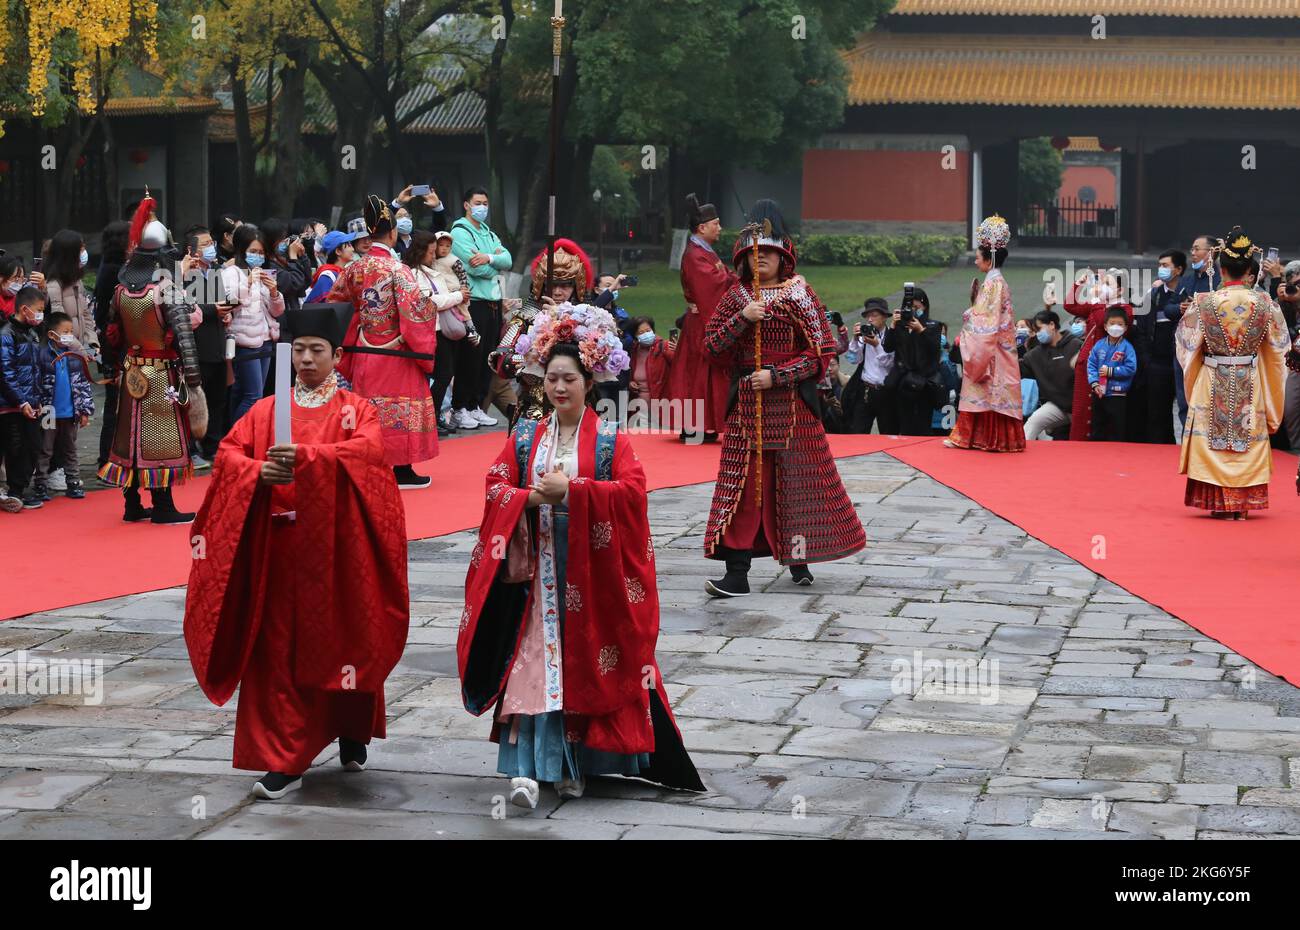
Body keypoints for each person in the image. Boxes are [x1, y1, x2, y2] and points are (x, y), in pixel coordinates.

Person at [458, 336, 703, 810]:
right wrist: (532, 497)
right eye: (551, 378)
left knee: (583, 660)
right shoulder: (526, 435)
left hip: (591, 573)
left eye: (569, 378)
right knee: (534, 657)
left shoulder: (612, 439)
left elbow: (633, 494)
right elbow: (496, 486)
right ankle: (528, 770)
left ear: (590, 383)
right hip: (536, 576)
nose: (559, 386)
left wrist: (574, 491)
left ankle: (577, 763)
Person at [183, 304, 409, 800]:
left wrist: (308, 459)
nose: (307, 360)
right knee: (279, 651)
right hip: (277, 553)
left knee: (345, 639)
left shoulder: (356, 410)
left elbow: (369, 458)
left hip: (337, 553)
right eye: (299, 351)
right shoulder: (267, 411)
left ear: (335, 355)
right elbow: (229, 454)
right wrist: (255, 474)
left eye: (318, 351)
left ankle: (350, 727)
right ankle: (285, 757)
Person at [702, 199, 866, 596]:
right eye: (753, 254)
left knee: (797, 484)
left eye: (768, 253)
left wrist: (775, 375)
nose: (760, 260)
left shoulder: (799, 293)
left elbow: (821, 352)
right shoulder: (738, 296)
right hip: (747, 408)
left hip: (792, 408)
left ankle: (799, 558)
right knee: (742, 488)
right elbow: (710, 347)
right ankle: (737, 573)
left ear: (782, 257)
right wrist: (744, 319)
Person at [98, 198, 208, 524]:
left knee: (129, 436)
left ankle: (132, 504)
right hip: (162, 375)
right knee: (161, 438)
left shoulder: (120, 291)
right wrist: (195, 382)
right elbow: (185, 340)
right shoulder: (167, 290)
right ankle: (162, 506)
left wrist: (112, 367)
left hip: (131, 372)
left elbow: (112, 334)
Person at [326, 194, 439, 488]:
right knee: (402, 407)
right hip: (397, 353)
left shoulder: (353, 269)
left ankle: (370, 465)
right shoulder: (397, 270)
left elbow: (336, 303)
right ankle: (401, 469)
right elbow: (415, 311)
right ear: (391, 233)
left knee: (369, 409)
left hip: (365, 351)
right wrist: (430, 307)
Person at [1176, 228, 1288, 519]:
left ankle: (1216, 500)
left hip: (1212, 376)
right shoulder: (1266, 305)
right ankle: (1243, 503)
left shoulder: (1203, 303)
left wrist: (1195, 372)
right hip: (1249, 378)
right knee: (1247, 439)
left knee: (1212, 439)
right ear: (1250, 270)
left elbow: (1186, 347)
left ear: (1221, 269)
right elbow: (1279, 353)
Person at [491, 239, 595, 430]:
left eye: (564, 285)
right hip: (534, 404)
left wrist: (564, 320)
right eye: (551, 285)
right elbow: (502, 360)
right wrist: (532, 359)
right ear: (540, 284)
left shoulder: (590, 319)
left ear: (577, 285)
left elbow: (599, 360)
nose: (557, 291)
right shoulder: (525, 317)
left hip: (578, 404)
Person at [946, 214, 1024, 452]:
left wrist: (969, 319)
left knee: (986, 390)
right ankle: (990, 439)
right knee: (991, 395)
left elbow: (986, 322)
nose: (975, 262)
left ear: (988, 259)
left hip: (992, 351)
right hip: (1000, 347)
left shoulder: (992, 284)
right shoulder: (996, 282)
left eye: (977, 257)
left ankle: (983, 438)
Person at [670, 193, 737, 442]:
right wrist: (735, 280)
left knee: (702, 375)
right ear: (702, 227)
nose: (719, 228)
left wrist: (735, 278)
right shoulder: (694, 255)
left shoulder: (704, 251)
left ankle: (705, 425)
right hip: (701, 322)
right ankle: (695, 426)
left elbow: (723, 277)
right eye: (716, 224)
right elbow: (712, 285)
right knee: (698, 375)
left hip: (701, 320)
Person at [450, 186, 513, 424]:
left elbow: (507, 260)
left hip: (493, 303)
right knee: (470, 356)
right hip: (473, 303)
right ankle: (460, 407)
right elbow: (471, 266)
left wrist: (490, 258)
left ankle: (476, 404)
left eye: (485, 203)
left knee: (488, 357)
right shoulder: (459, 232)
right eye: (478, 202)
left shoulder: (489, 233)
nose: (482, 208)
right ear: (466, 204)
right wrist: (493, 264)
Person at [221, 224, 284, 423]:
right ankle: (236, 438)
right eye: (253, 251)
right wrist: (247, 283)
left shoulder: (262, 274)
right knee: (253, 396)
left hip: (265, 339)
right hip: (243, 342)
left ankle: (233, 438)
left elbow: (277, 311)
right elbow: (229, 303)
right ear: (242, 250)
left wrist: (274, 292)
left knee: (243, 393)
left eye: (261, 252)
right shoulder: (231, 272)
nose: (258, 256)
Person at [182, 224, 234, 467]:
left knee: (217, 398)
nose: (211, 248)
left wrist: (225, 313)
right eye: (205, 245)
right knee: (195, 401)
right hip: (196, 347)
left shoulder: (212, 272)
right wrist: (214, 309)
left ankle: (213, 447)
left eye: (211, 243)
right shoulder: (181, 275)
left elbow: (219, 303)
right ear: (191, 250)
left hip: (217, 344)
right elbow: (184, 309)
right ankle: (191, 448)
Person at [33, 311, 94, 500]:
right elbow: (36, 383)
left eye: (71, 331)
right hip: (49, 412)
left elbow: (84, 384)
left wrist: (84, 410)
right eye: (65, 331)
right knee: (46, 448)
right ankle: (41, 484)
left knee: (70, 448)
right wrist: (37, 406)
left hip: (70, 412)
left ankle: (73, 482)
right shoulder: (42, 355)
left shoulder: (75, 357)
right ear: (52, 334)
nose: (69, 335)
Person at [1134, 249, 1189, 443]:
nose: (1161, 269)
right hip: (1157, 364)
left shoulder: (1189, 293)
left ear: (1179, 269)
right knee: (1157, 415)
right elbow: (1141, 329)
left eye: (1165, 266)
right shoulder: (1154, 295)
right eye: (1159, 265)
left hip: (1184, 364)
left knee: (1188, 411)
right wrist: (1147, 360)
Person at [426, 230, 478, 435]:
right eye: (438, 247)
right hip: (436, 324)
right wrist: (457, 296)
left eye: (447, 246)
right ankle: (432, 417)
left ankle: (437, 416)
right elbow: (434, 300)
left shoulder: (453, 261)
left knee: (447, 373)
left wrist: (460, 294)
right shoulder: (424, 269)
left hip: (453, 314)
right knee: (442, 374)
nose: (442, 250)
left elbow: (464, 278)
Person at [0, 287, 46, 510]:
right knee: (16, 448)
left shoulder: (32, 333)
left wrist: (36, 399)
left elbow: (36, 369)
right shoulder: (6, 334)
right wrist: (21, 401)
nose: (40, 315)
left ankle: (18, 490)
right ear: (24, 309)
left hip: (30, 402)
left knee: (33, 445)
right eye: (38, 310)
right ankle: (15, 492)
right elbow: (5, 372)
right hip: (12, 405)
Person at [93, 221, 130, 471]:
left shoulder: (113, 266)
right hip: (114, 343)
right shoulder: (114, 270)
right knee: (114, 402)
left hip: (116, 340)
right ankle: (107, 455)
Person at [884, 286, 943, 435]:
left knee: (923, 425)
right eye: (910, 307)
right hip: (902, 383)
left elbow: (935, 349)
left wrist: (921, 330)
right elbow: (888, 347)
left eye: (917, 307)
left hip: (923, 384)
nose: (914, 311)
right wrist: (892, 326)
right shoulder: (900, 326)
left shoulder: (933, 326)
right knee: (904, 425)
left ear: (925, 307)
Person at [1019, 309, 1081, 440]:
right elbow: (1017, 370)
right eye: (1035, 331)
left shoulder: (1076, 345)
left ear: (1052, 325)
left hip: (1080, 407)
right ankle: (1020, 458)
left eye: (1039, 329)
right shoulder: (1035, 354)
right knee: (1033, 422)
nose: (1037, 334)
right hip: (1058, 406)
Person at [840, 297, 898, 435]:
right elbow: (853, 359)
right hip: (865, 391)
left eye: (874, 315)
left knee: (888, 433)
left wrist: (877, 345)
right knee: (858, 432)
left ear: (884, 317)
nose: (870, 319)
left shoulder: (893, 336)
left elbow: (889, 365)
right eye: (868, 316)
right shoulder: (864, 335)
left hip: (886, 393)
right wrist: (855, 339)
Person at [1086, 307, 1138, 441]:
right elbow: (1091, 364)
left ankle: (1118, 452)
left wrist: (1111, 371)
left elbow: (1131, 368)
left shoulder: (1127, 347)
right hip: (1099, 392)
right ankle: (1096, 450)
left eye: (1120, 324)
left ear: (1126, 327)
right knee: (1097, 424)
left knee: (1118, 426)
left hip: (1118, 393)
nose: (1116, 327)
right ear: (1105, 326)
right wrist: (1094, 382)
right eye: (1112, 323)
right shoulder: (1098, 345)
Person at [304, 230, 360, 304]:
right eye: (348, 246)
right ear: (338, 251)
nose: (353, 249)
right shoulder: (328, 275)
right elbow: (323, 305)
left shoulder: (343, 272)